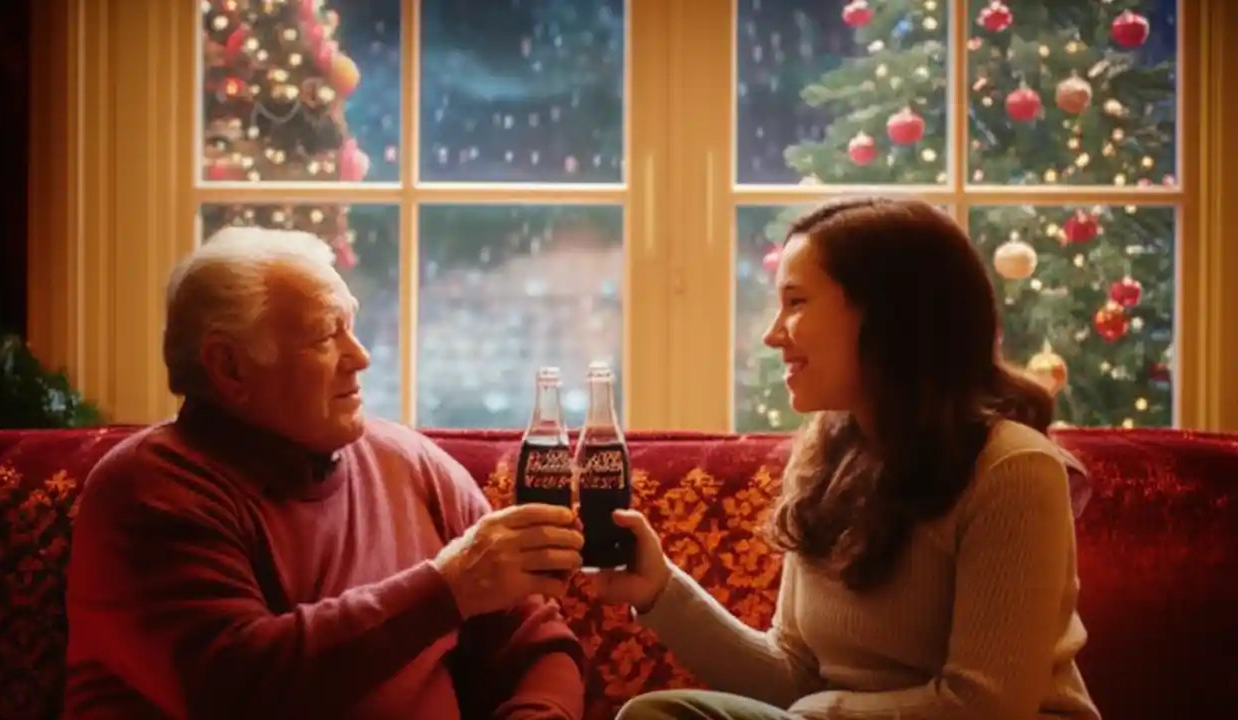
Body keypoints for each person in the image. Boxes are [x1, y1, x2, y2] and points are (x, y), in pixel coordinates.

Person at [595, 198, 1101, 719]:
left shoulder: (1014, 468)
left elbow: (985, 704)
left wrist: (819, 715)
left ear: (887, 315)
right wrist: (660, 590)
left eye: (796, 302)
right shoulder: (827, 459)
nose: (774, 334)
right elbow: (793, 675)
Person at [64, 227, 587, 719]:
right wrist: (444, 591)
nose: (359, 357)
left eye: (351, 327)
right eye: (323, 336)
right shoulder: (150, 490)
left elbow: (537, 647)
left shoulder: (411, 464)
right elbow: (235, 686)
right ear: (230, 367)